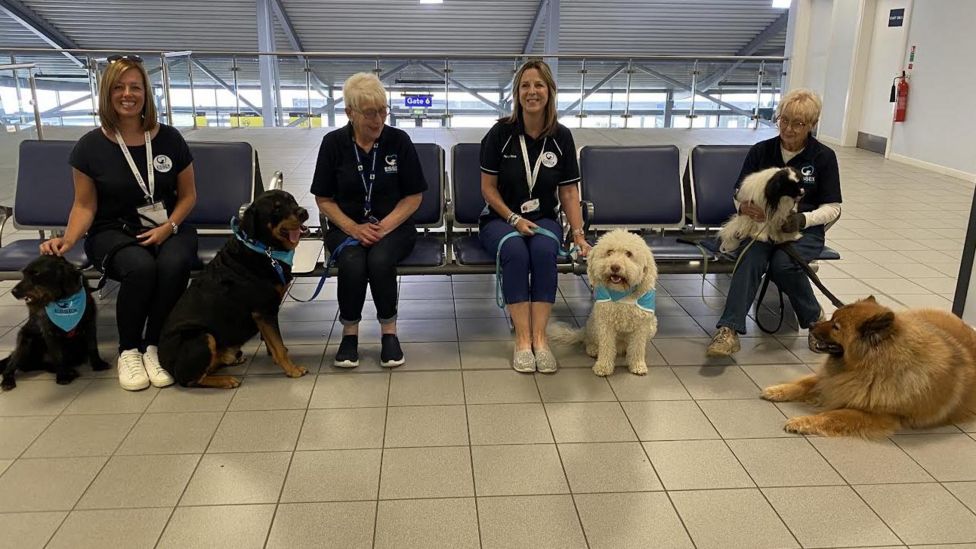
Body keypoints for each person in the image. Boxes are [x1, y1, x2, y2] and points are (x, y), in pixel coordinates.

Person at [40, 55, 198, 391]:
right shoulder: (89, 147)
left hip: (169, 226)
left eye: (135, 87)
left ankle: (154, 346)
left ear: (146, 93)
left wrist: (168, 227)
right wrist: (67, 241)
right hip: (112, 231)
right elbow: (84, 205)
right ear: (107, 94)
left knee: (175, 263)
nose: (128, 94)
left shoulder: (170, 139)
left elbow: (188, 196)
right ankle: (129, 349)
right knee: (140, 268)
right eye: (119, 87)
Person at [707, 88, 842, 357]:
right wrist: (743, 206)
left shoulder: (823, 157)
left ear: (812, 125)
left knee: (784, 265)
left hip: (803, 232)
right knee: (750, 259)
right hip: (760, 229)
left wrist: (802, 219)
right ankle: (729, 330)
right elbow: (738, 191)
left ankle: (816, 323)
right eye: (784, 120)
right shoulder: (761, 151)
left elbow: (834, 207)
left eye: (798, 124)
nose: (789, 129)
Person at [479, 59, 590, 374]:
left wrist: (578, 235)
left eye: (538, 85)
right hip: (499, 219)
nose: (532, 91)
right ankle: (522, 341)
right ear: (517, 93)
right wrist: (513, 219)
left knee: (543, 251)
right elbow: (488, 189)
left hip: (543, 218)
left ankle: (541, 340)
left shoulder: (562, 137)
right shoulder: (500, 133)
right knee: (515, 251)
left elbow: (568, 193)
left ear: (550, 91)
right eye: (525, 85)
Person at [311, 72, 427, 369]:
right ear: (350, 112)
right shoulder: (333, 144)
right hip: (346, 228)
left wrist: (383, 228)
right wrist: (352, 228)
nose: (378, 120)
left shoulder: (398, 141)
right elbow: (324, 200)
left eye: (382, 111)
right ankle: (350, 334)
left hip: (395, 227)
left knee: (379, 259)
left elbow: (414, 197)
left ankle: (389, 333)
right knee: (352, 260)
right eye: (370, 113)